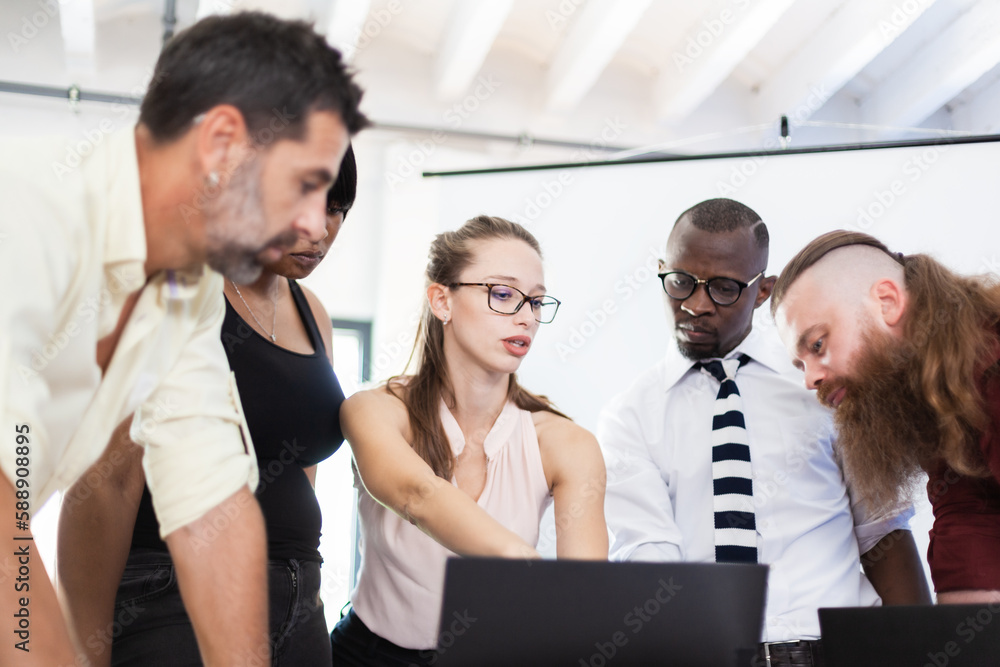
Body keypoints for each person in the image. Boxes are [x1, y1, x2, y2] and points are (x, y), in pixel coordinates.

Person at [0, 12, 366, 666]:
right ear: (223, 141)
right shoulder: (26, 212)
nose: (317, 223)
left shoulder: (183, 288)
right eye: (307, 183)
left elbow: (212, 509)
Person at [56, 145, 358, 667]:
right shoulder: (175, 291)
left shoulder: (313, 314)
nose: (321, 230)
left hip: (297, 596)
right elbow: (107, 482)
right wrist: (84, 653)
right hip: (171, 590)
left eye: (337, 208)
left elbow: (297, 469)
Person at [599, 199, 930, 667]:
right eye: (679, 283)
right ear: (661, 271)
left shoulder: (822, 382)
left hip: (844, 650)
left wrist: (928, 651)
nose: (695, 305)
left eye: (724, 289)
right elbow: (651, 563)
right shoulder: (631, 416)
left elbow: (883, 534)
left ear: (762, 291)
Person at [329, 215, 608, 665]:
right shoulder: (373, 409)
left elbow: (583, 598)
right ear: (442, 300)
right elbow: (418, 494)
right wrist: (526, 565)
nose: (526, 317)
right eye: (503, 294)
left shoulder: (566, 443)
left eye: (536, 302)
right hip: (365, 655)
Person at [770, 229, 1000, 604]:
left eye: (817, 344)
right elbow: (968, 520)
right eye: (801, 364)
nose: (810, 379)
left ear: (888, 302)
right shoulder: (933, 395)